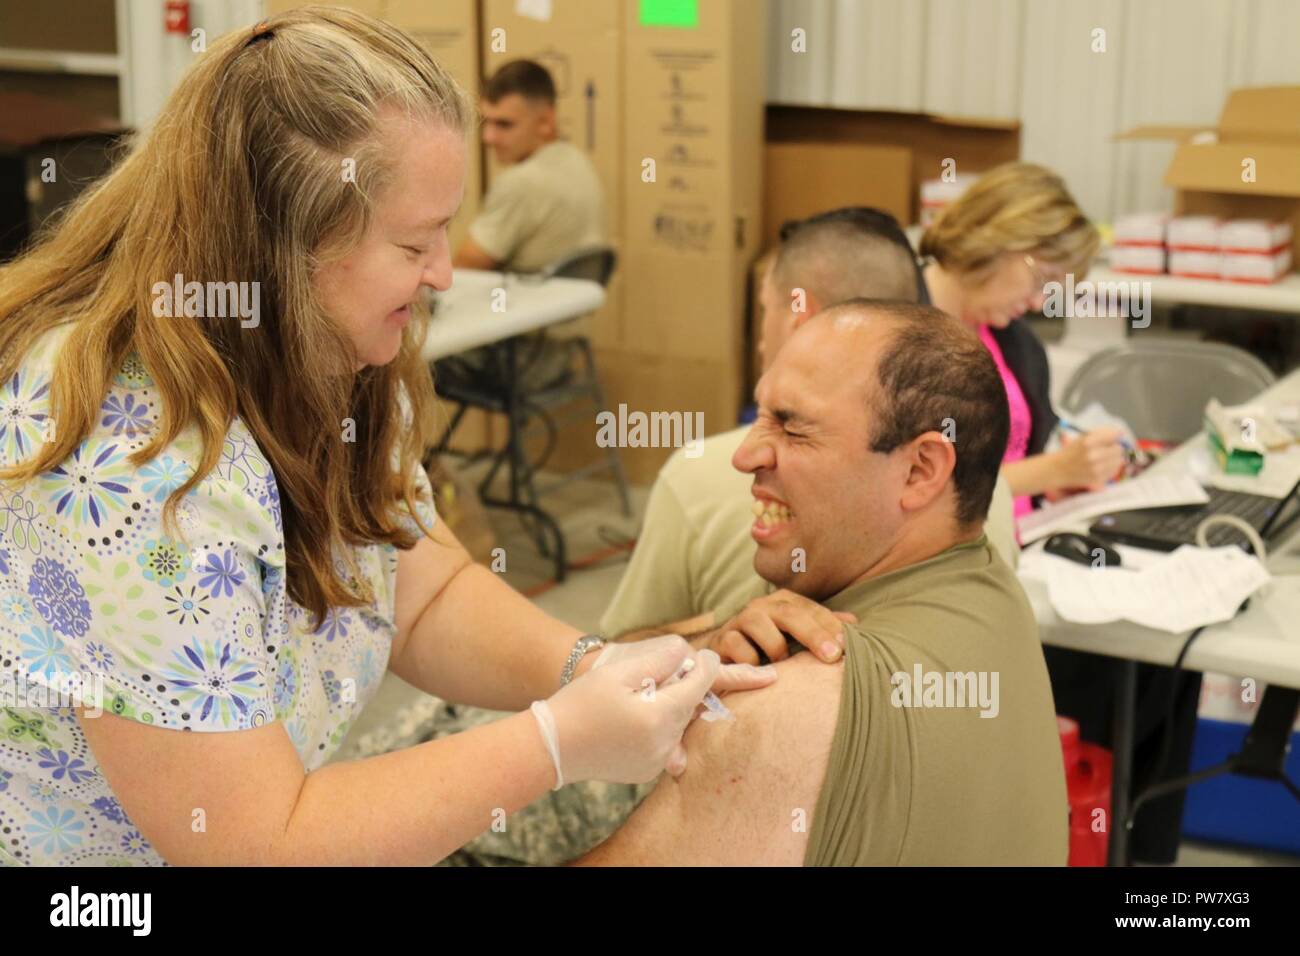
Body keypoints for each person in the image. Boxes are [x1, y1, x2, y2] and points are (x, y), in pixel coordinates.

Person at [0, 8, 771, 867]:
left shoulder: (344, 357)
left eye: (446, 228)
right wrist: (553, 745)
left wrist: (590, 665)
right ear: (279, 252)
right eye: (412, 242)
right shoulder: (124, 462)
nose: (442, 271)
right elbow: (256, 844)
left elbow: (416, 588)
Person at [577, 301, 1068, 865]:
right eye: (760, 416)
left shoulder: (783, 710)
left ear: (920, 470)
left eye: (792, 427)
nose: (745, 455)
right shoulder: (995, 597)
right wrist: (705, 650)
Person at [601, 207, 1021, 643]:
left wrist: (702, 639)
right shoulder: (986, 490)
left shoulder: (695, 479)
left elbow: (612, 670)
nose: (745, 457)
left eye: (793, 427)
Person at [920, 162, 1125, 523]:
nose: (1038, 303)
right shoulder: (893, 333)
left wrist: (1054, 484)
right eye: (1041, 279)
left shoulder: (1018, 343)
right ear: (997, 239)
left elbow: (1013, 465)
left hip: (1023, 543)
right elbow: (912, 491)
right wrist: (1052, 471)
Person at [453, 59, 603, 273]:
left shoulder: (520, 183)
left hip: (530, 305)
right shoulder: (577, 160)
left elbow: (461, 274)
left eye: (504, 124)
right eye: (486, 122)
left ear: (545, 122)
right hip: (569, 303)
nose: (488, 137)